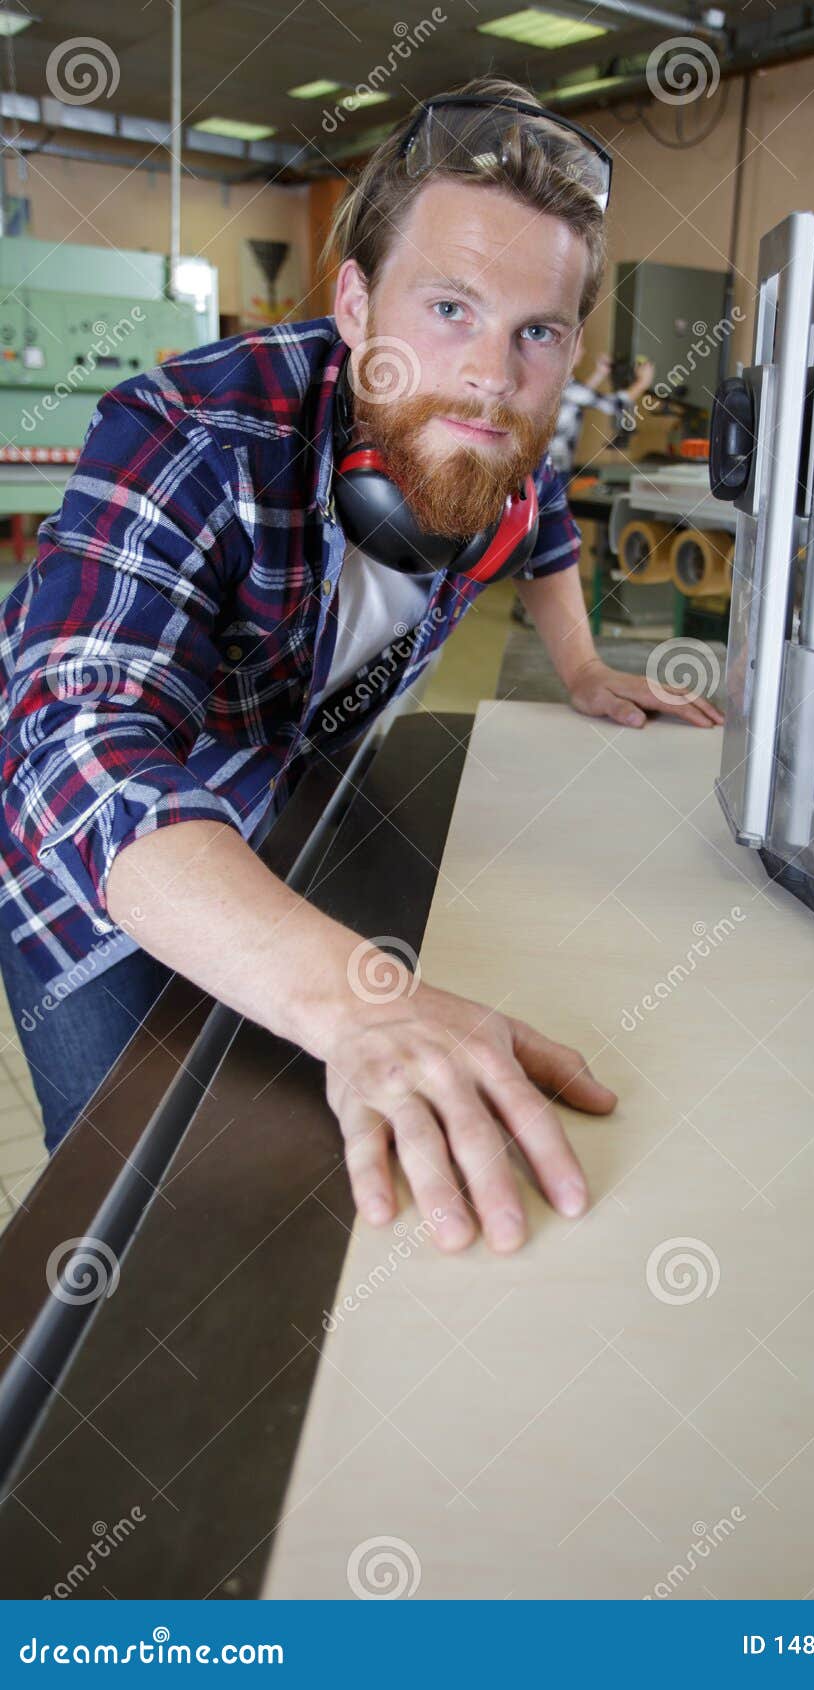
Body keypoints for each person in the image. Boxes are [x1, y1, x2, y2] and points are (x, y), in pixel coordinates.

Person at [0, 76, 722, 1255]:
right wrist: (353, 1001)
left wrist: (583, 666)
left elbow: (537, 526)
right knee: (136, 1200)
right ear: (354, 303)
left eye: (533, 331)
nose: (490, 375)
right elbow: (75, 748)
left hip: (284, 794)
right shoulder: (192, 433)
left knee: (281, 1144)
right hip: (90, 862)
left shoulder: (505, 435)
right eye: (447, 307)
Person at [548, 350, 658, 480]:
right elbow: (614, 404)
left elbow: (578, 400)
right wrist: (642, 383)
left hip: (552, 470)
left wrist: (600, 373)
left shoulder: (558, 383)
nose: (583, 351)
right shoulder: (565, 387)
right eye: (580, 345)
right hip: (550, 474)